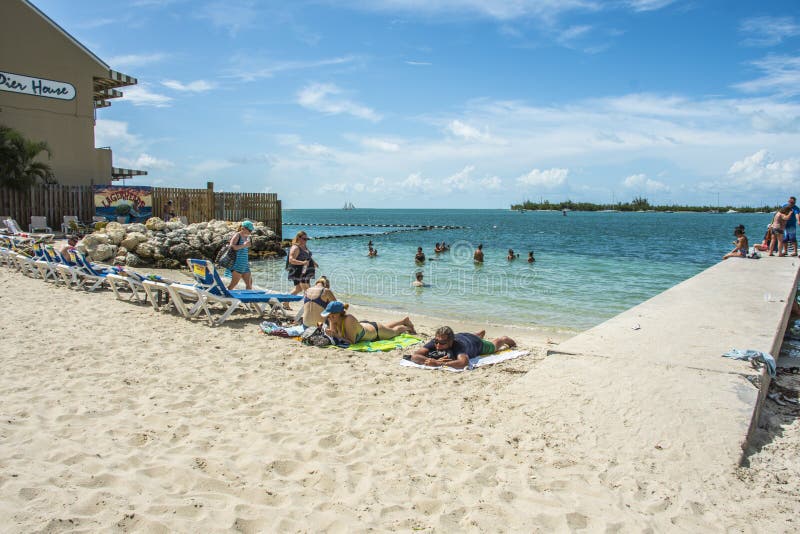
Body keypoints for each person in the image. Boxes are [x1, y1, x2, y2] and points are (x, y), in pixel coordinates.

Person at [409, 326, 516, 369]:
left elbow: (463, 362)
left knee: (494, 345)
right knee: (473, 336)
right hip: (464, 336)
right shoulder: (436, 341)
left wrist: (438, 363)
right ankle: (479, 333)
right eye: (436, 341)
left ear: (450, 342)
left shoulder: (458, 346)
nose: (437, 345)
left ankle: (504, 338)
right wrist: (429, 360)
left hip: (476, 343)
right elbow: (415, 356)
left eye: (442, 343)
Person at [320, 301, 416, 344]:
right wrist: (330, 333)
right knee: (386, 326)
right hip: (367, 327)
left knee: (395, 332)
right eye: (328, 315)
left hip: (376, 331)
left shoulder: (348, 319)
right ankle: (403, 320)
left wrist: (336, 335)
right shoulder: (332, 319)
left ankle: (407, 327)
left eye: (332, 315)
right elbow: (334, 334)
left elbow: (352, 342)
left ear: (340, 313)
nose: (330, 317)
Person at [226, 220, 254, 289]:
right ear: (243, 228)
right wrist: (244, 245)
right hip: (237, 265)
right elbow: (232, 247)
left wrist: (247, 245)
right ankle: (225, 296)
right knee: (233, 284)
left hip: (244, 265)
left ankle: (248, 299)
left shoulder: (247, 237)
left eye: (251, 231)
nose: (251, 232)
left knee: (249, 284)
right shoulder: (237, 235)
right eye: (250, 230)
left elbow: (243, 250)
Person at [287, 230, 316, 295]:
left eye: (307, 239)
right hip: (299, 272)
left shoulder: (304, 246)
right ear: (299, 238)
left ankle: (285, 302)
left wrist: (314, 262)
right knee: (307, 290)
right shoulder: (295, 248)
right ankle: (307, 304)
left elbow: (307, 257)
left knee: (299, 289)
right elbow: (291, 260)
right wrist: (303, 263)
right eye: (304, 239)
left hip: (305, 271)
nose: (306, 240)